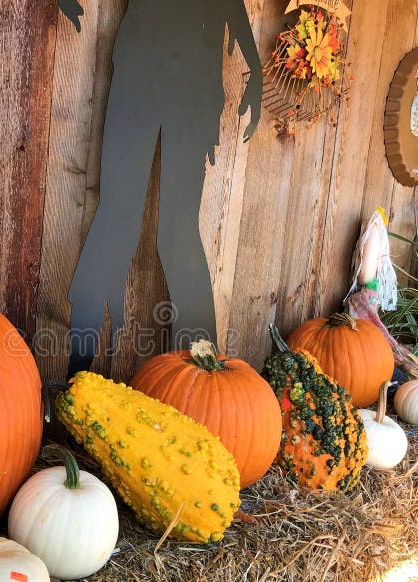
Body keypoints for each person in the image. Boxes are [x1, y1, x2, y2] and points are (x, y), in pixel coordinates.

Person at [59, 0, 262, 371]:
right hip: (142, 66)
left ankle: (202, 375)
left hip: (193, 84)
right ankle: (76, 371)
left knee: (177, 231)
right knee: (117, 216)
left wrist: (254, 64)